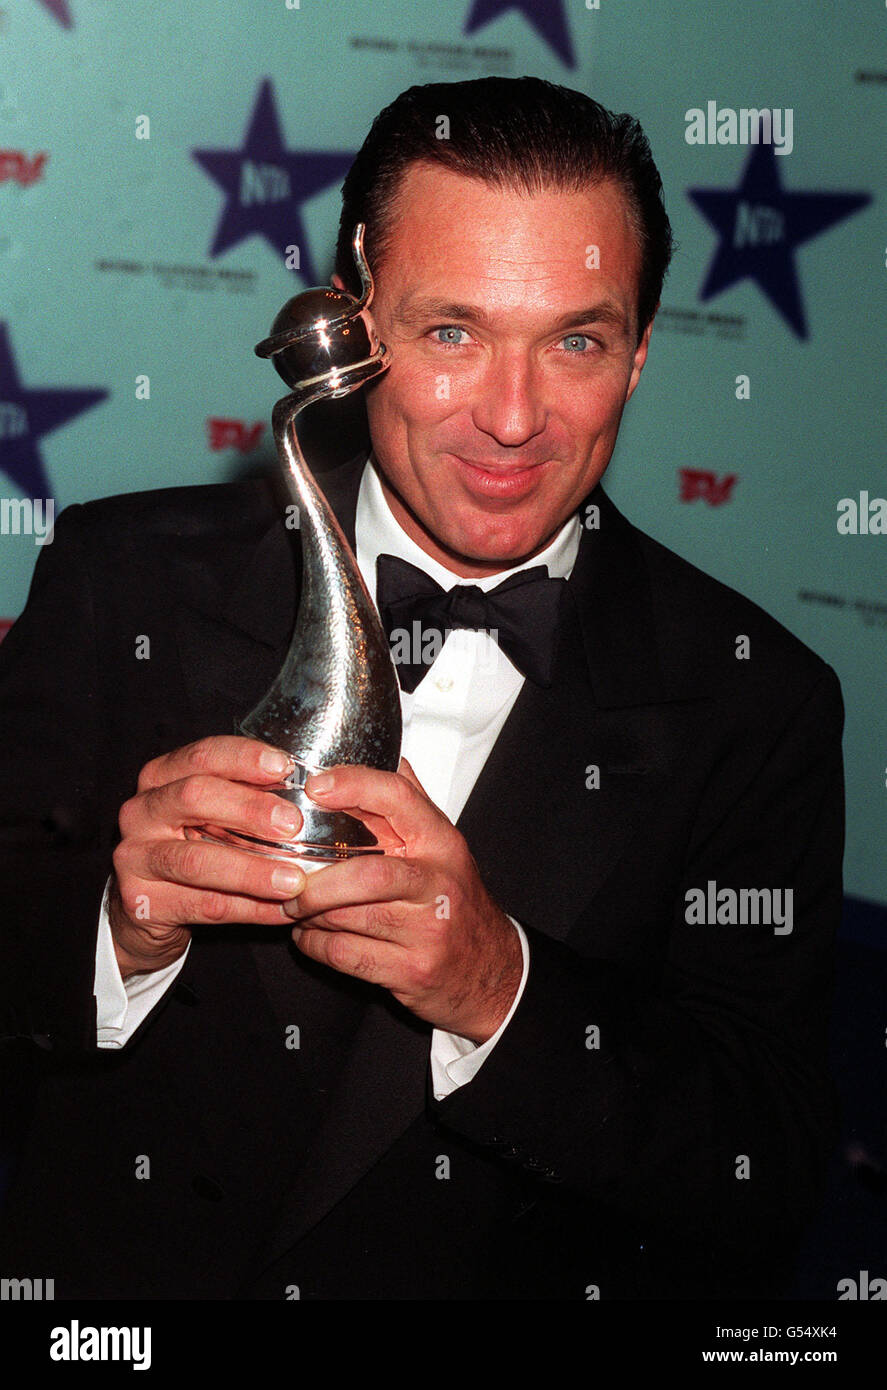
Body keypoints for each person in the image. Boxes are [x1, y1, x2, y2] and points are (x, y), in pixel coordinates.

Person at [0, 76, 843, 1300]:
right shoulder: (121, 574)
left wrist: (500, 990)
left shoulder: (754, 704)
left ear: (643, 353)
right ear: (351, 321)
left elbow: (761, 1173)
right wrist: (112, 930)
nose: (512, 418)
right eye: (450, 331)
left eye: (576, 340)